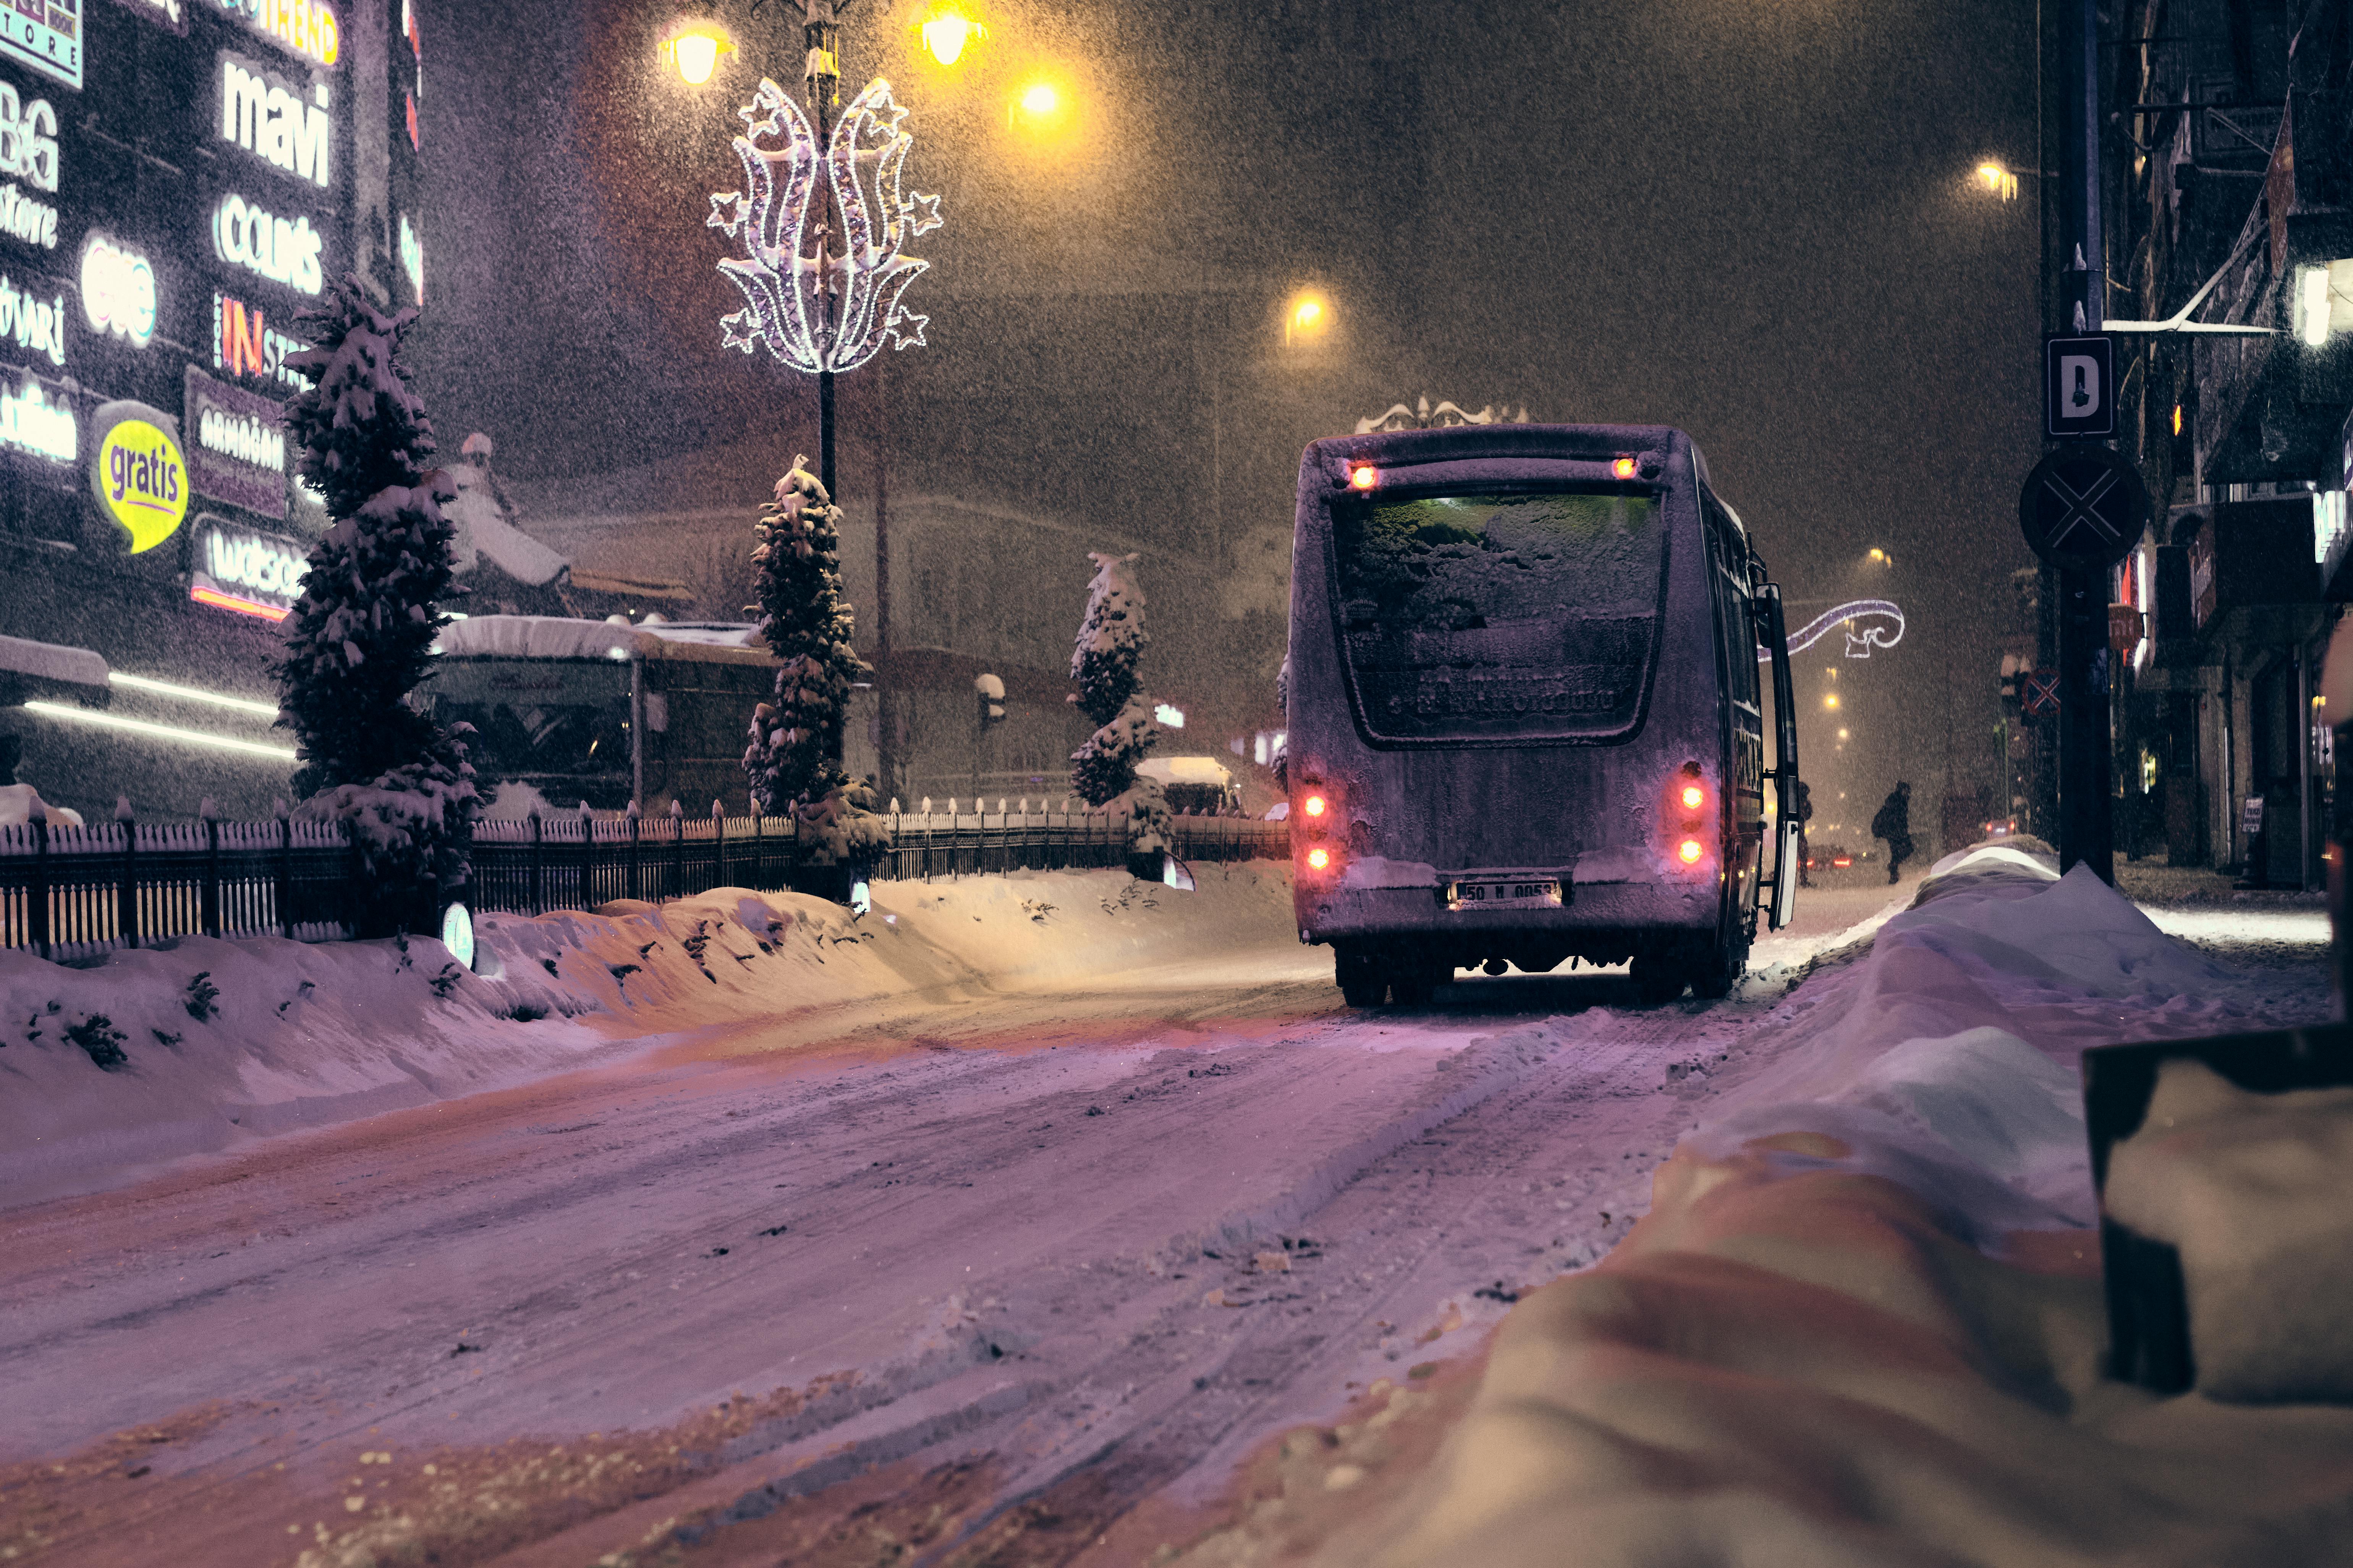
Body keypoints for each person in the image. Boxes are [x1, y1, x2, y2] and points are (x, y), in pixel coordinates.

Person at [1873, 781, 1914, 884]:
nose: (1908, 793)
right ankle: (1893, 872)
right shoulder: (1898, 800)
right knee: (1905, 850)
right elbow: (1897, 817)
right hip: (1895, 832)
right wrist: (1899, 829)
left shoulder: (1896, 799)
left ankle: (1893, 872)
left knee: (1898, 853)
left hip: (1894, 832)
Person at [1794, 778, 1814, 887]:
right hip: (1800, 834)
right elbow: (1808, 815)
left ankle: (1797, 879)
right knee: (1803, 858)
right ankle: (1803, 879)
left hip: (1793, 833)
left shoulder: (1792, 800)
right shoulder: (1804, 803)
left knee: (1793, 858)